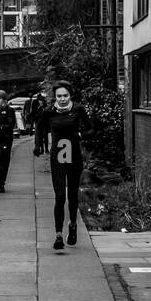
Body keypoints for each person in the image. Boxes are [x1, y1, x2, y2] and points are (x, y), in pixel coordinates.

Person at [34, 81, 88, 250]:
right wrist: (37, 145)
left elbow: (91, 128)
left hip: (74, 157)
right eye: (59, 96)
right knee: (59, 196)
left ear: (70, 95)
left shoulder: (78, 109)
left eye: (65, 95)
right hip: (57, 156)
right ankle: (58, 235)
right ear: (55, 97)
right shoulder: (49, 111)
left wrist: (82, 134)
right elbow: (39, 128)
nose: (63, 99)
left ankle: (72, 224)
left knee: (72, 196)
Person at [0, 89, 15, 193]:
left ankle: (0, 184)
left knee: (2, 162)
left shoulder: (9, 110)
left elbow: (10, 125)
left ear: (5, 100)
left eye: (0, 98)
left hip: (5, 139)